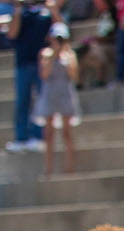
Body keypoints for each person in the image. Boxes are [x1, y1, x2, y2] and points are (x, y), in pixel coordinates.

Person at [34, 21, 82, 177]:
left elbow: (74, 76)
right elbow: (44, 75)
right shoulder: (45, 54)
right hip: (50, 94)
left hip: (65, 93)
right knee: (48, 134)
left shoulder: (70, 55)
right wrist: (53, 55)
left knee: (67, 133)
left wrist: (65, 56)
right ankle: (48, 170)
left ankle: (70, 170)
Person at [6, 0, 52, 152]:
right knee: (22, 102)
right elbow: (12, 34)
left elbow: (59, 32)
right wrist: (17, 10)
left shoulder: (45, 14)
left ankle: (38, 137)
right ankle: (21, 138)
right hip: (23, 64)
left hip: (41, 65)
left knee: (41, 102)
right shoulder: (20, 14)